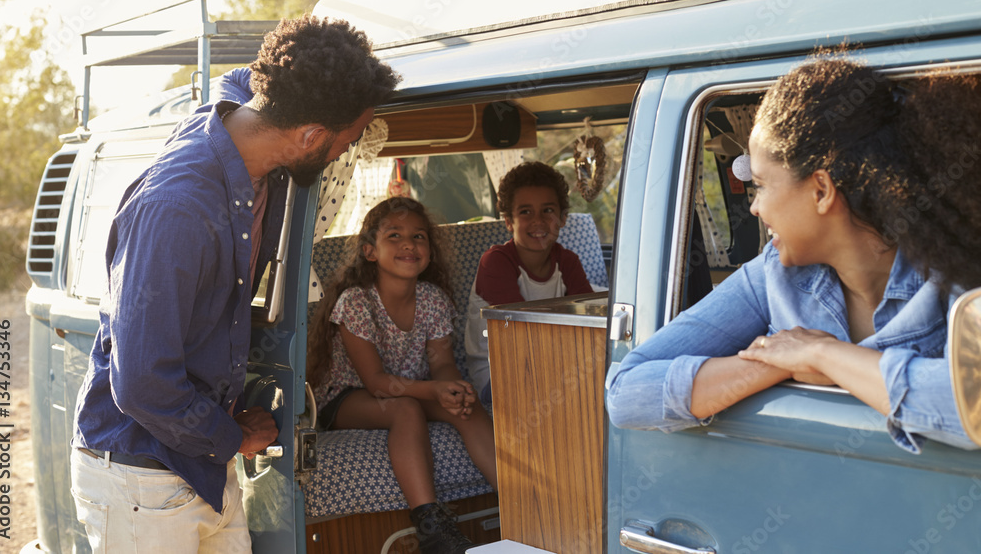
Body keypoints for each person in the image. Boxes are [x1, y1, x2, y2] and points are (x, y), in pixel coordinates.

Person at [70, 16, 400, 553]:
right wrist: (233, 437)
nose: (347, 151)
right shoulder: (177, 208)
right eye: (347, 139)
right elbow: (142, 383)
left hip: (199, 459)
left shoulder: (250, 125)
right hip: (143, 477)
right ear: (311, 136)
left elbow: (249, 82)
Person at [607, 55, 981, 453]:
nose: (755, 208)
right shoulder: (772, 275)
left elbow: (971, 408)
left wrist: (822, 353)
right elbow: (626, 393)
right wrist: (778, 362)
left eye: (763, 186)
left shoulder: (951, 273)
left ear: (821, 190)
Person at [307, 197, 498, 554]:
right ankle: (432, 528)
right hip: (350, 398)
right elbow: (377, 382)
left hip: (414, 390)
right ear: (370, 251)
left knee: (465, 408)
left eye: (419, 237)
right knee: (405, 409)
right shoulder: (355, 303)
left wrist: (453, 388)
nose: (409, 243)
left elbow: (441, 365)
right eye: (394, 235)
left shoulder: (433, 300)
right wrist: (433, 388)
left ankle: (518, 500)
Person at [464, 161, 594, 407]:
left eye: (548, 211)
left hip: (554, 364)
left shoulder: (568, 262)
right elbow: (519, 337)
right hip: (498, 375)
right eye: (525, 212)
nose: (538, 221)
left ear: (563, 218)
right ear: (508, 222)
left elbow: (588, 321)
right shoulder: (496, 262)